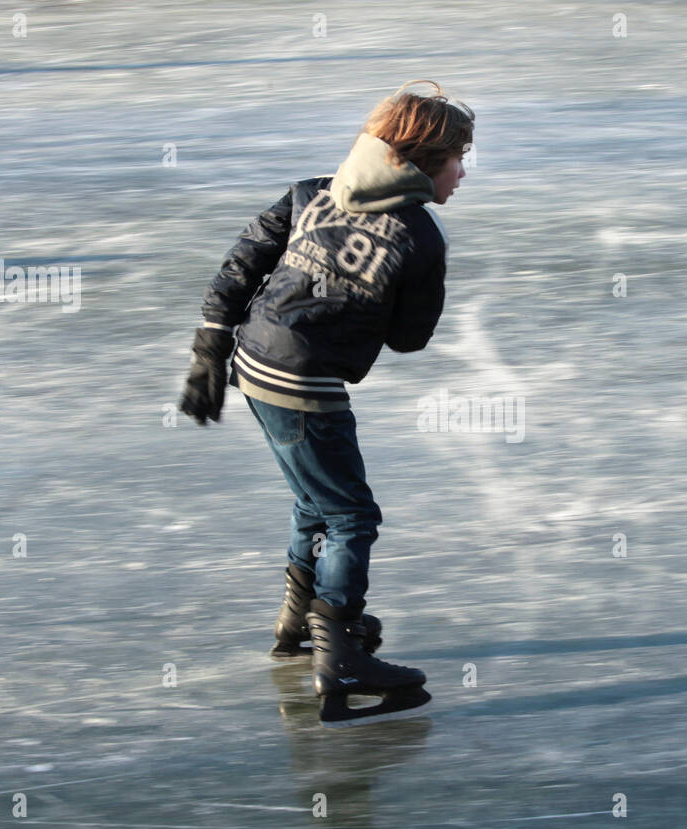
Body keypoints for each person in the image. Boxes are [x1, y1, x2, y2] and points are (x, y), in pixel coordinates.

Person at [179, 80, 473, 728]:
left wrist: (209, 346)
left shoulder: (312, 191)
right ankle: (339, 655)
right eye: (460, 159)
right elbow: (409, 339)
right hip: (303, 382)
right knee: (352, 517)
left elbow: (243, 260)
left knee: (315, 501)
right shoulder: (420, 234)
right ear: (427, 159)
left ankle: (298, 618)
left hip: (252, 361)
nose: (463, 174)